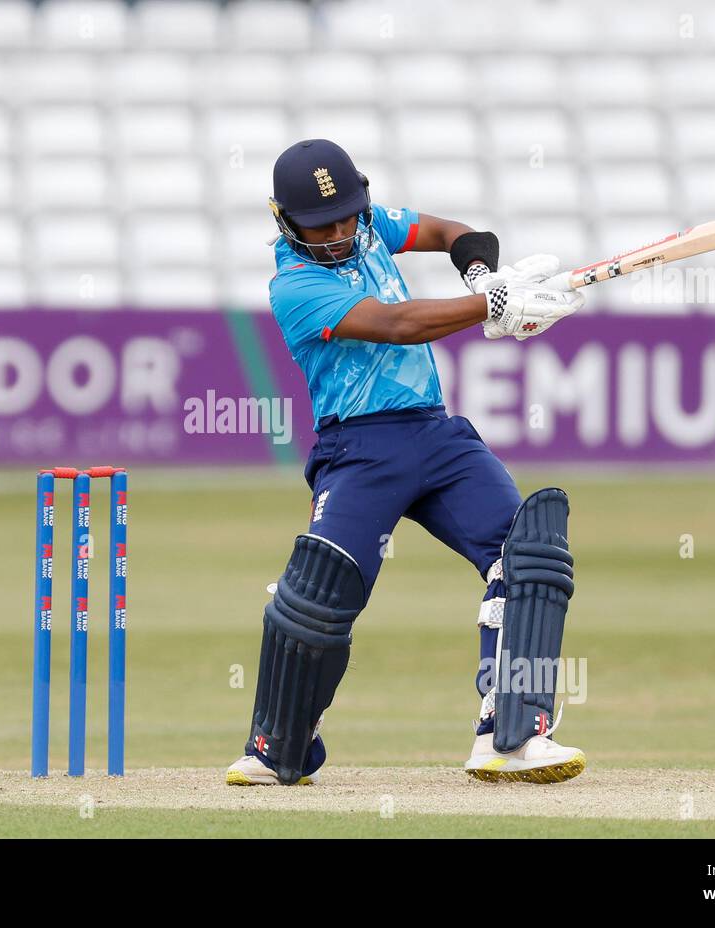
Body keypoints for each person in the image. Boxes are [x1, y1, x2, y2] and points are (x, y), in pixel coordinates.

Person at [226, 140, 585, 786]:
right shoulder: (294, 287)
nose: (338, 235)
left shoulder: (372, 226)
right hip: (357, 450)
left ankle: (510, 735)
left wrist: (483, 277)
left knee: (527, 552)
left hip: (435, 434)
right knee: (318, 597)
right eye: (320, 226)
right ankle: (276, 746)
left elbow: (455, 232)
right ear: (285, 222)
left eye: (346, 218)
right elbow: (397, 324)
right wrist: (495, 309)